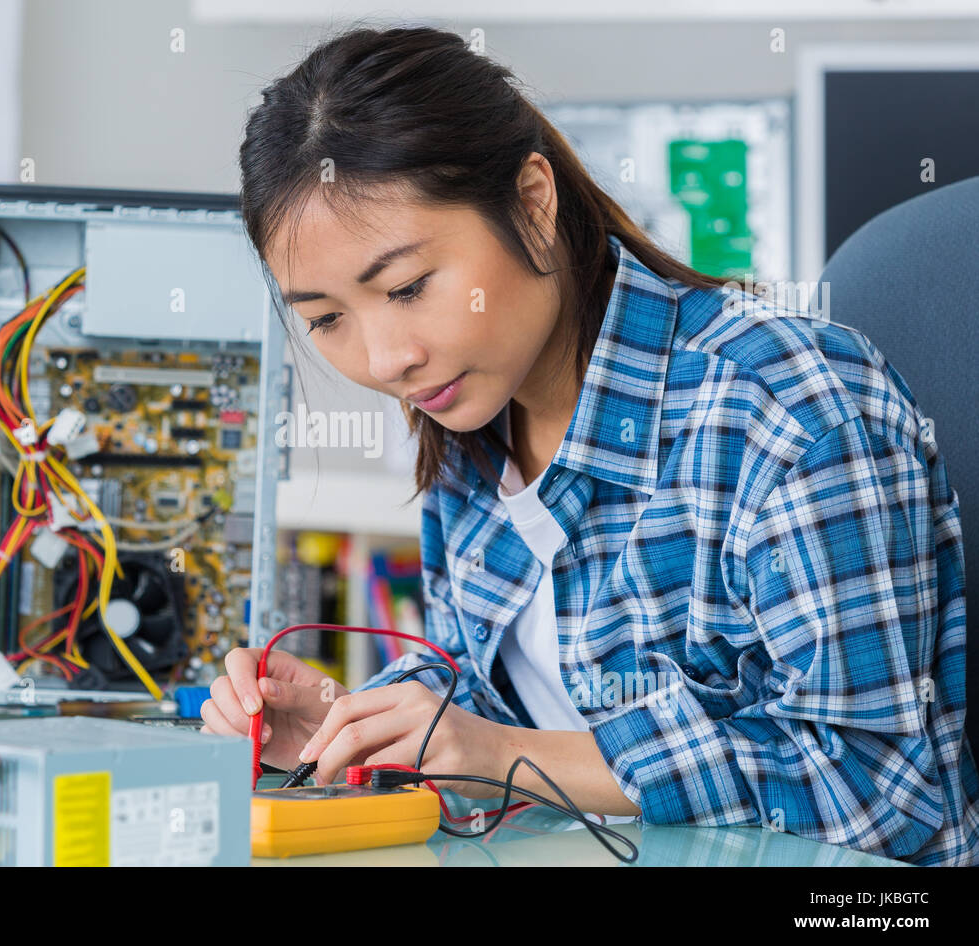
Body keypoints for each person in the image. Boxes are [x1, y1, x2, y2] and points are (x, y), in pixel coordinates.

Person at [199, 24, 978, 866]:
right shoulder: (467, 422)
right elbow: (481, 693)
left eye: (410, 287)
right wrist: (350, 728)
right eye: (326, 319)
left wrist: (503, 756)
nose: (386, 358)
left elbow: (877, 787)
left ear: (532, 204)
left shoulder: (788, 409)